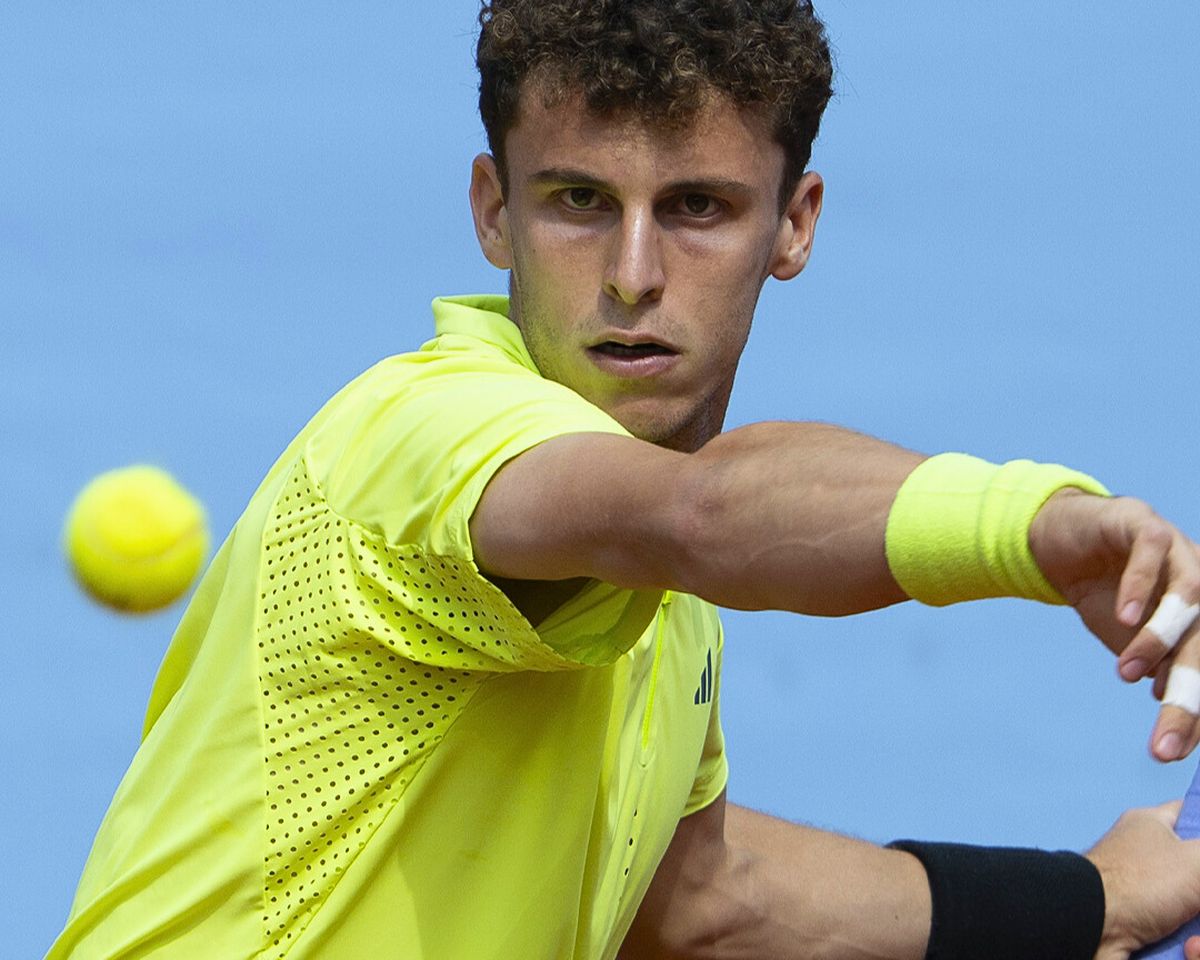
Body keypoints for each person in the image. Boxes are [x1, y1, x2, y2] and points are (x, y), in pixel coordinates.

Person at [48, 2, 1200, 958]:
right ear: (495, 214)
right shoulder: (418, 431)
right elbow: (703, 514)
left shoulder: (664, 582)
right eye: (579, 202)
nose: (634, 275)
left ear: (794, 226)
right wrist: (1032, 526)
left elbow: (703, 898)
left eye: (697, 208)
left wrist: (1085, 903)